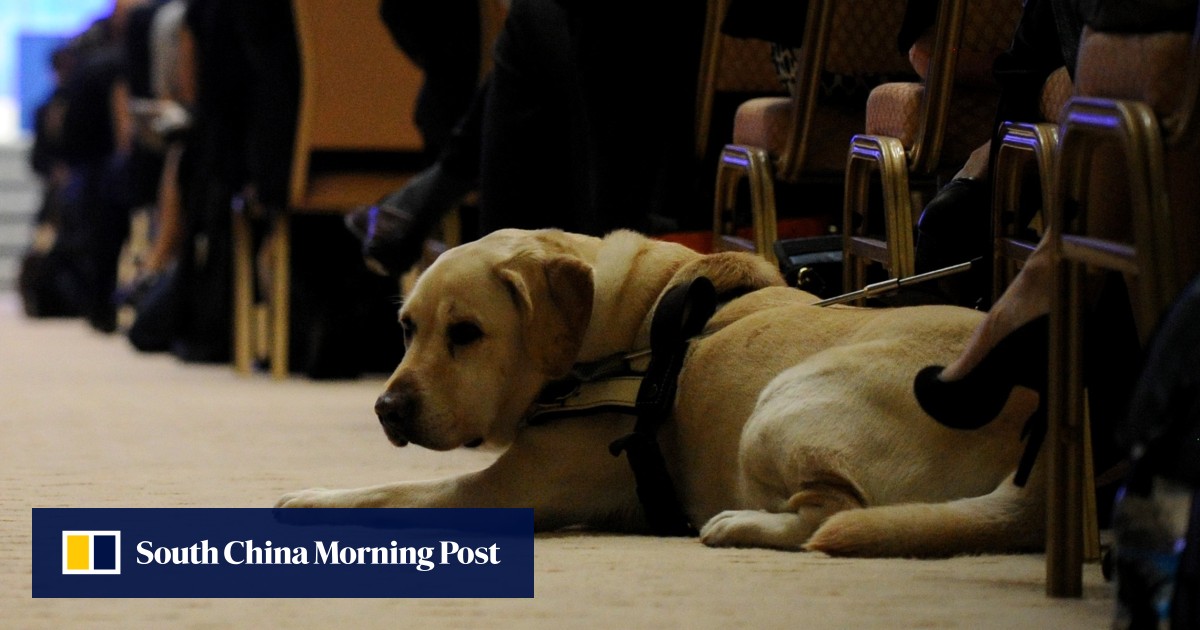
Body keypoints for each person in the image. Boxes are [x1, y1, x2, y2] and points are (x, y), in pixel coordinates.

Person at [348, 0, 708, 277]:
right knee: (547, 22)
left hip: (664, 69)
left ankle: (509, 282)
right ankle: (427, 204)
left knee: (533, 21)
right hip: (728, 59)